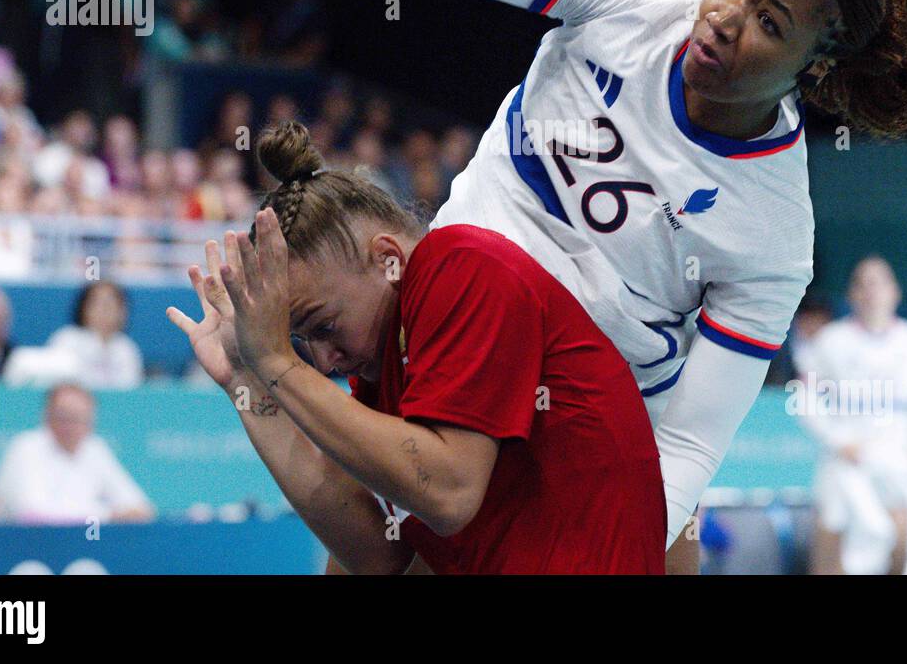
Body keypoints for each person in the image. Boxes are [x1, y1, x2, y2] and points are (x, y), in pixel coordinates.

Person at [190, 0, 907, 570]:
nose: (722, 18)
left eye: (770, 22)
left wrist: (624, 542)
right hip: (452, 351)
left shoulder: (773, 233)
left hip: (584, 439)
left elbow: (687, 439)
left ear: (813, 68)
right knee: (371, 560)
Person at [167, 121, 666, 574]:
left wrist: (275, 360)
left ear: (388, 259)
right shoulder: (386, 368)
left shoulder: (463, 265)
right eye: (305, 340)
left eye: (323, 326)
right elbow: (380, 557)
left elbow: (449, 491)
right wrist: (247, 384)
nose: (325, 360)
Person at [802, 257, 907, 575]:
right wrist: (838, 441)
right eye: (862, 283)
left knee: (903, 537)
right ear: (851, 294)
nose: (871, 291)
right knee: (832, 538)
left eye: (878, 282)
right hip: (845, 459)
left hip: (899, 459)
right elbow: (805, 399)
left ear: (895, 292)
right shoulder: (830, 340)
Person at [0, 382, 154, 524]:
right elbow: (33, 514)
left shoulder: (95, 448)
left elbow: (139, 508)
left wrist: (107, 515)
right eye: (63, 417)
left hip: (82, 544)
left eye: (78, 418)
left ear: (91, 422)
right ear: (47, 416)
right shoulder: (25, 447)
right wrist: (107, 515)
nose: (70, 426)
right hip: (22, 548)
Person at [38, 281, 144, 390]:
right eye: (98, 303)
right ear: (84, 308)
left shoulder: (127, 348)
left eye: (111, 304)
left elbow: (130, 388)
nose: (105, 310)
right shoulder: (66, 339)